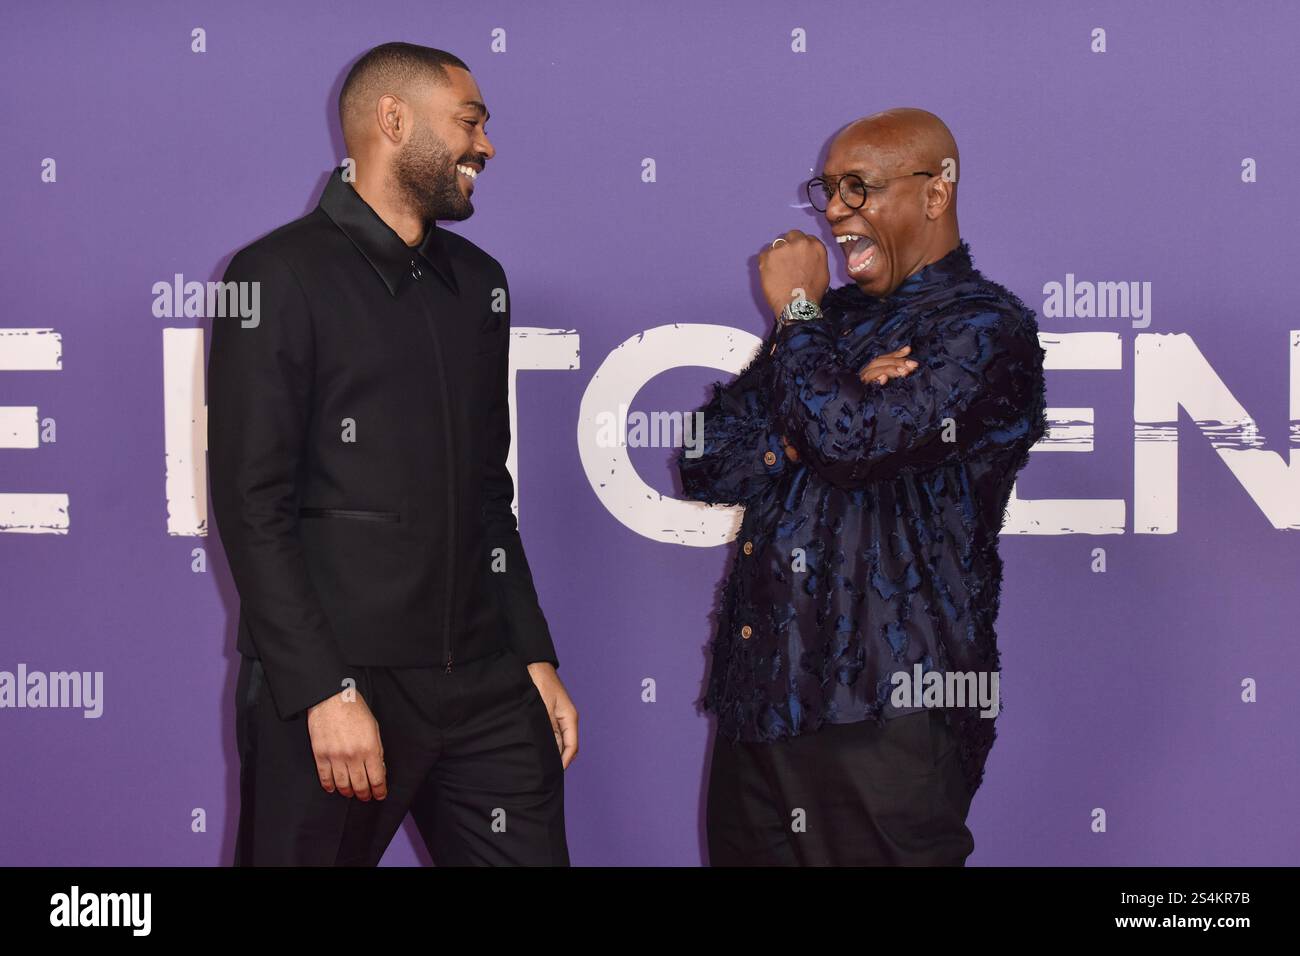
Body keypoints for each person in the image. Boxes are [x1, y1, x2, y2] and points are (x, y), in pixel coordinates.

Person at [208, 42, 576, 866]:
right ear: (393, 120)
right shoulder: (272, 277)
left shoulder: (480, 281)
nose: (485, 147)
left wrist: (534, 652)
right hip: (343, 685)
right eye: (470, 123)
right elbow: (251, 503)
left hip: (486, 685)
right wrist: (320, 689)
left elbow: (489, 493)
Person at [679, 108, 1048, 866]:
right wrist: (822, 397)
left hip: (891, 708)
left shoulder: (984, 328)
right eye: (830, 190)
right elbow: (706, 459)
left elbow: (851, 442)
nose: (838, 211)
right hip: (763, 703)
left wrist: (802, 320)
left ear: (935, 195)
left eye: (860, 188)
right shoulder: (830, 328)